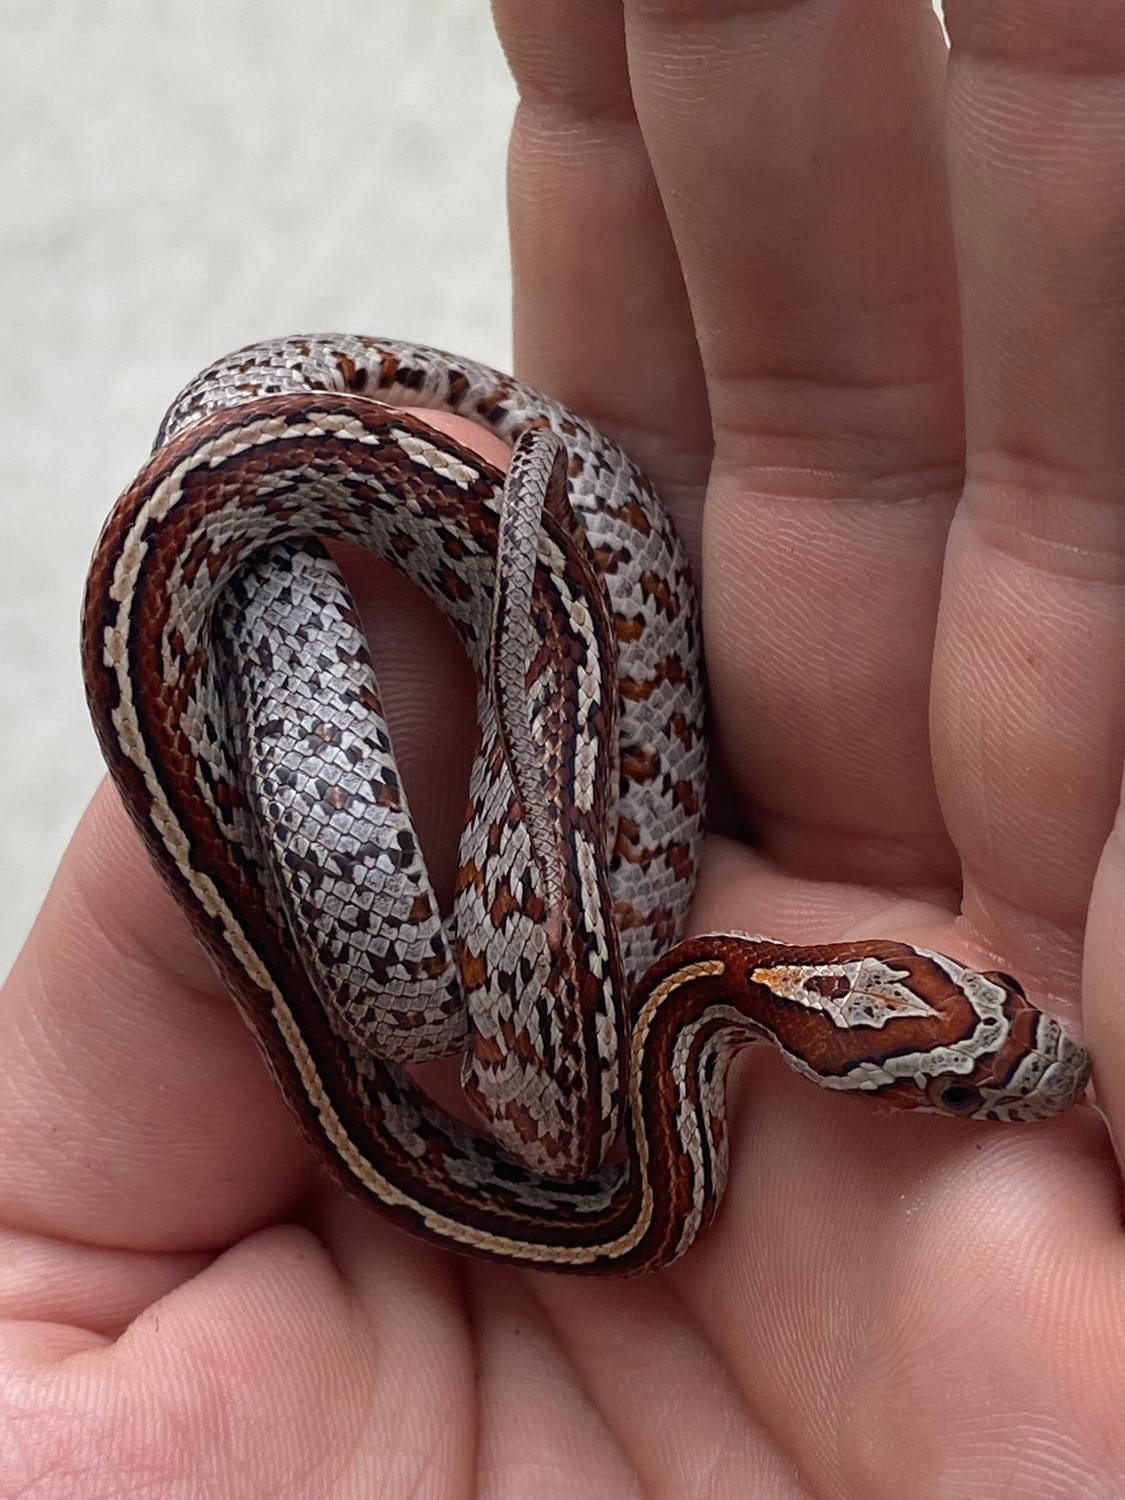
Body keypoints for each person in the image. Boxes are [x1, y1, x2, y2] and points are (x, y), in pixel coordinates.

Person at [3, 2, 1122, 1492]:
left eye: (972, 1071)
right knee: (399, 976)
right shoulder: (659, 1085)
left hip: (505, 624)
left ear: (850, 1044)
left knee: (406, 997)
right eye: (972, 1076)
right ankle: (322, 483)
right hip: (381, 561)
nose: (1017, 1077)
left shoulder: (653, 1078)